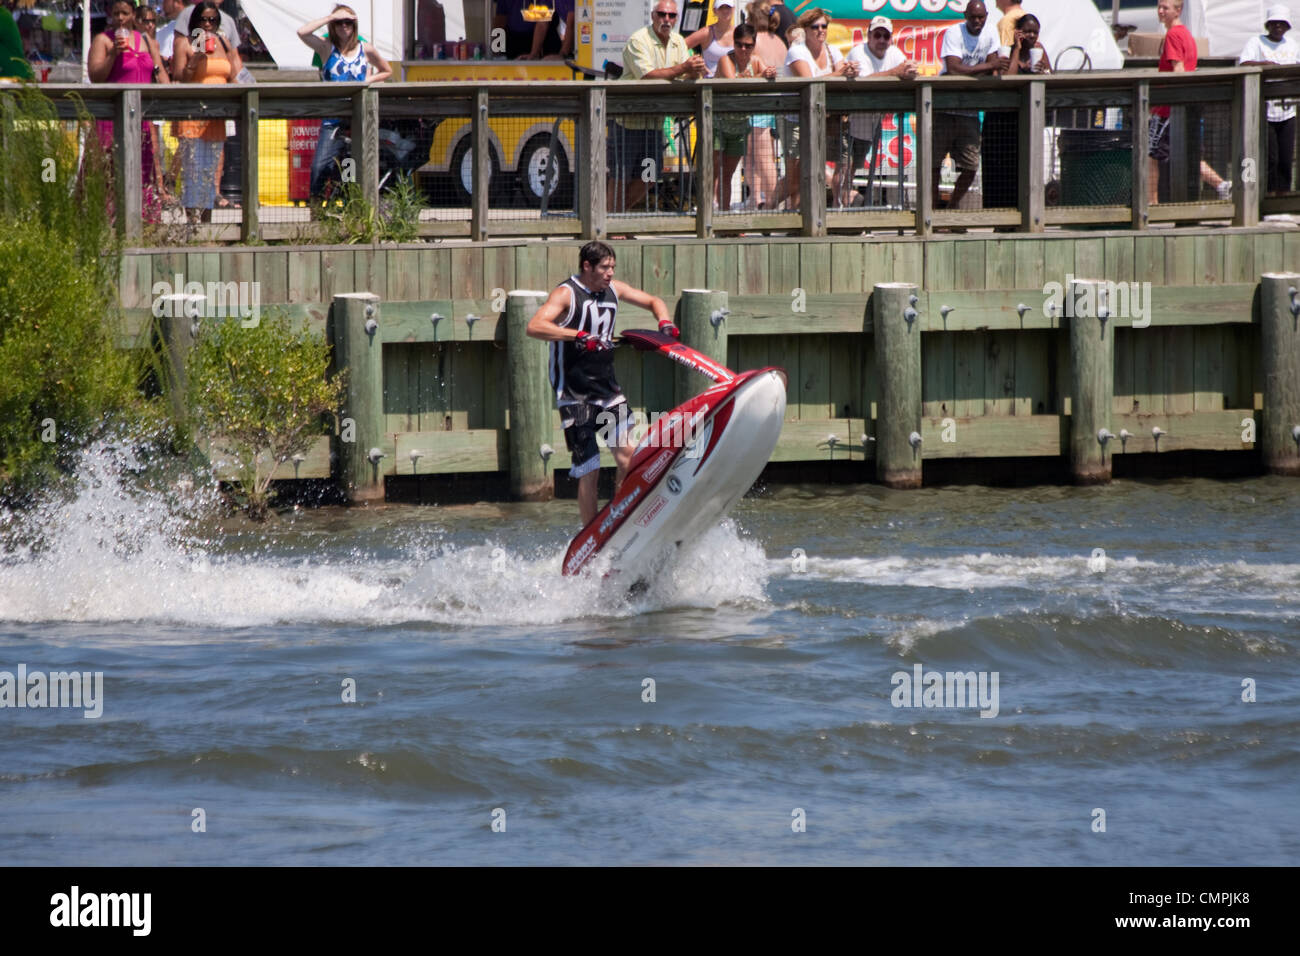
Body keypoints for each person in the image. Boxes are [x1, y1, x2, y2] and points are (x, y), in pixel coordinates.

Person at [525, 241, 680, 528]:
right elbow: (534, 326)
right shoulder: (566, 294)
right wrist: (578, 335)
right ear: (587, 266)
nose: (610, 273)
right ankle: (592, 532)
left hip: (607, 392)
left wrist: (665, 323)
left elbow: (653, 301)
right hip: (575, 396)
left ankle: (622, 517)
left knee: (628, 459)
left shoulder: (614, 290)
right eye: (604, 268)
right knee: (590, 470)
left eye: (612, 268)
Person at [611, 1, 705, 213]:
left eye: (672, 16)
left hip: (655, 123)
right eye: (662, 14)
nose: (667, 20)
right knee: (620, 177)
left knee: (650, 176)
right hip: (627, 121)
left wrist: (695, 70)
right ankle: (611, 222)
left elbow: (683, 73)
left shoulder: (679, 42)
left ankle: (615, 216)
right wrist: (684, 67)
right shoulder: (639, 40)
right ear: (653, 16)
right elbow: (648, 76)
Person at [297, 5, 391, 203]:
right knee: (320, 166)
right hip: (332, 119)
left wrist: (368, 81)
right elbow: (302, 32)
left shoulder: (365, 48)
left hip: (357, 118)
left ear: (354, 25)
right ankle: (316, 208)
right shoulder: (326, 47)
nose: (343, 27)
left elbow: (387, 70)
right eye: (339, 23)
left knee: (351, 165)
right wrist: (331, 16)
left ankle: (351, 206)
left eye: (348, 22)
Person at [89, 0, 170, 222]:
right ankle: (104, 224)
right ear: (110, 15)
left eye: (125, 13)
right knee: (108, 172)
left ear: (133, 15)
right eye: (116, 13)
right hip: (111, 118)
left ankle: (143, 223)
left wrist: (159, 73)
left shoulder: (146, 40)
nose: (120, 18)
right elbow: (95, 77)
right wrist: (113, 54)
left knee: (143, 173)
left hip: (141, 118)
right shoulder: (103, 40)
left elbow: (161, 76)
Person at [770, 8, 856, 212]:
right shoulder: (797, 51)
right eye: (815, 27)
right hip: (794, 118)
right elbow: (809, 82)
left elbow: (842, 74)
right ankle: (768, 207)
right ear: (805, 30)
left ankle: (800, 214)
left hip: (822, 118)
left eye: (824, 26)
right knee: (795, 176)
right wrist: (840, 73)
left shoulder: (832, 50)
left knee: (817, 168)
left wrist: (850, 71)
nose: (820, 30)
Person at [1147, 0, 1229, 203]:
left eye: (1166, 8)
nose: (1160, 11)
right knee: (1190, 156)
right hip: (1184, 107)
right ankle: (1222, 185)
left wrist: (1169, 102)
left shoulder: (1174, 35)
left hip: (1168, 109)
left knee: (1151, 156)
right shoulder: (1186, 35)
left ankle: (1151, 205)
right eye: (1159, 6)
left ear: (1178, 10)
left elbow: (1179, 70)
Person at [934, 0, 1005, 213]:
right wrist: (987, 66)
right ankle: (932, 212)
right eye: (973, 17)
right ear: (965, 15)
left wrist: (979, 68)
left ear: (986, 16)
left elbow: (993, 70)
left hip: (970, 110)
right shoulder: (953, 32)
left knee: (971, 165)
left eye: (981, 17)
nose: (977, 21)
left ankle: (952, 206)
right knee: (933, 164)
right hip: (944, 107)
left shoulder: (991, 32)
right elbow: (953, 68)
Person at [172, 0, 240, 222]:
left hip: (216, 116)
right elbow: (179, 77)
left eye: (212, 19)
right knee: (193, 172)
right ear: (195, 21)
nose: (208, 24)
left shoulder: (223, 41)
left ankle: (206, 224)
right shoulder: (185, 43)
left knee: (209, 174)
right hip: (193, 114)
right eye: (204, 19)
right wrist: (196, 59)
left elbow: (235, 74)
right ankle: (192, 225)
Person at [839, 16, 917, 207]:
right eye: (877, 35)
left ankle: (843, 209)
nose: (881, 40)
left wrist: (910, 72)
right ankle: (838, 208)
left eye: (885, 36)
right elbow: (865, 82)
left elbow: (908, 71)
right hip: (846, 120)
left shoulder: (895, 53)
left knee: (851, 170)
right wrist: (896, 72)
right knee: (843, 169)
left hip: (870, 124)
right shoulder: (859, 52)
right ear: (869, 35)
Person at [1239, 4, 1300, 194]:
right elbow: (1244, 62)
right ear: (1268, 25)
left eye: (1282, 24)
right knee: (1269, 157)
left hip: (1288, 108)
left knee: (1285, 157)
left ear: (1287, 26)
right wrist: (1264, 64)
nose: (1278, 27)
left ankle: (1283, 197)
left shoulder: (1292, 45)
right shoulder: (1256, 42)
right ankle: (1268, 197)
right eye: (1274, 24)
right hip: (1264, 110)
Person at [717, 22, 777, 212]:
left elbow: (769, 74)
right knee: (712, 173)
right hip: (717, 123)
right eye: (739, 44)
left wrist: (768, 73)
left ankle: (725, 216)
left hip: (740, 125)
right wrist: (761, 76)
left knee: (728, 173)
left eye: (748, 45)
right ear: (733, 44)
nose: (743, 49)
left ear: (754, 45)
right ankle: (713, 215)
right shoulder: (725, 60)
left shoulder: (756, 61)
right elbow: (733, 84)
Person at [744, 0, 786, 209]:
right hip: (779, 102)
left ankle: (771, 202)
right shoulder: (778, 40)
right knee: (752, 154)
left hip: (759, 101)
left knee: (763, 157)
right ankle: (755, 198)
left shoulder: (754, 40)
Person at [683, 0, 735, 78]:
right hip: (710, 81)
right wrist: (695, 61)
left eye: (728, 7)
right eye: (721, 8)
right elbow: (680, 46)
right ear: (714, 11)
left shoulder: (739, 32)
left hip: (734, 81)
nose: (725, 11)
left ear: (733, 9)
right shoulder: (707, 32)